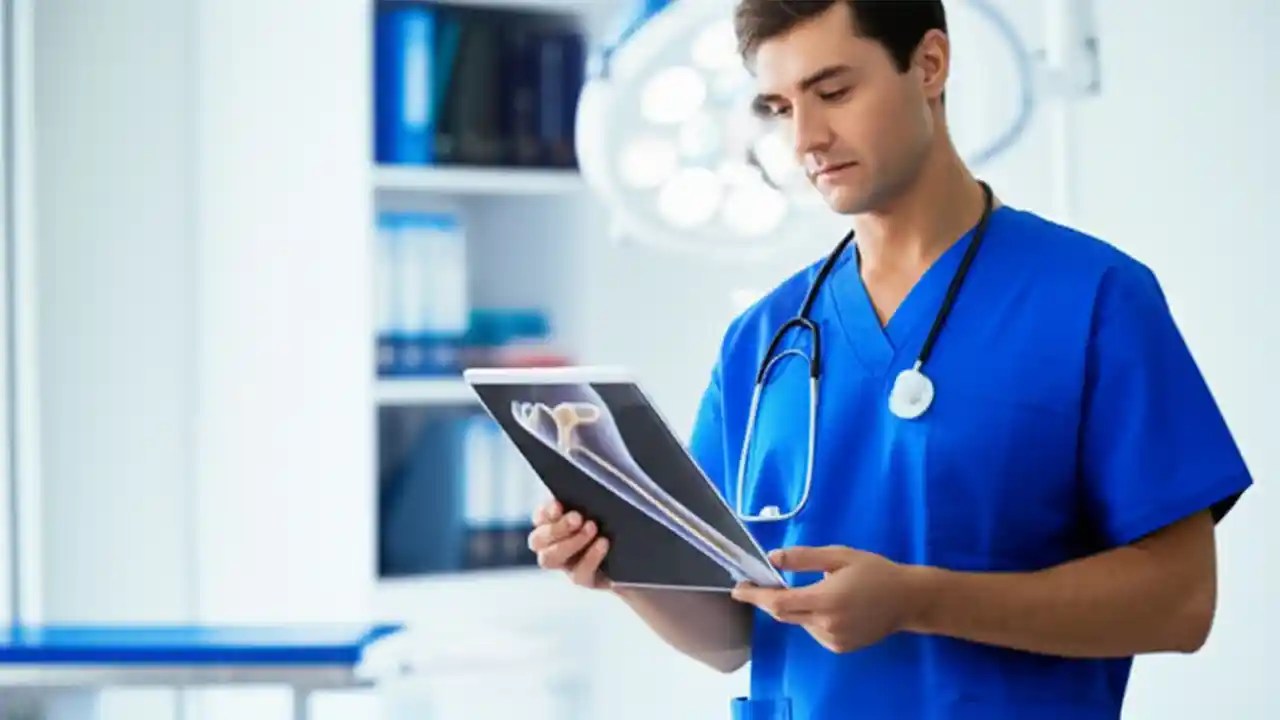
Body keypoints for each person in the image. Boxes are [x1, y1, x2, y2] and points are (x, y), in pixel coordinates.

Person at [527, 1, 1253, 717]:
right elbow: (733, 635)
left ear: (930, 64)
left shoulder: (1093, 298)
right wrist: (619, 569)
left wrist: (916, 601)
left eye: (834, 91)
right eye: (778, 107)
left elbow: (1180, 604)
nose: (806, 138)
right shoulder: (764, 338)